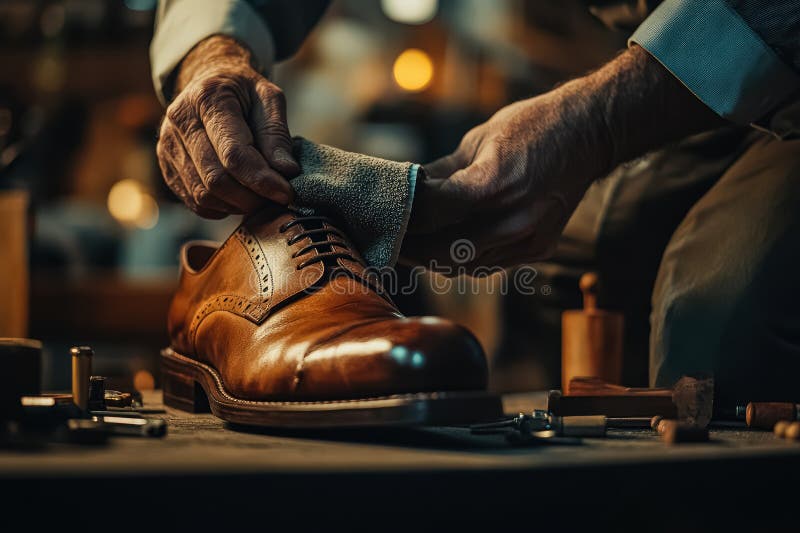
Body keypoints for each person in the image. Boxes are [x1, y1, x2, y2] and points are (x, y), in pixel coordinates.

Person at [150, 0, 800, 405]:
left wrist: (600, 121)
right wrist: (212, 55)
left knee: (718, 303)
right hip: (712, 86)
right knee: (572, 261)